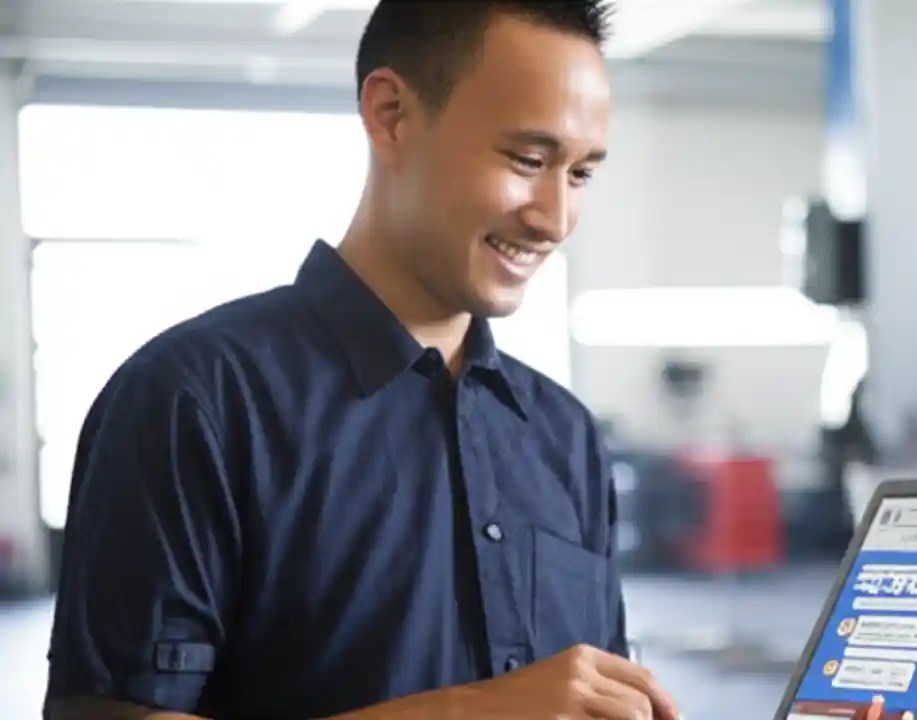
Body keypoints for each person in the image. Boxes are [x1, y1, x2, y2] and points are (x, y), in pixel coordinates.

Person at [42, 2, 681, 719]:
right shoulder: (195, 401)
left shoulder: (565, 436)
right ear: (390, 115)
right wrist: (469, 712)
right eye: (528, 161)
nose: (555, 217)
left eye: (582, 174)